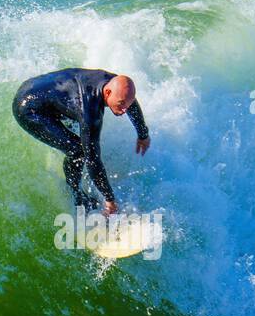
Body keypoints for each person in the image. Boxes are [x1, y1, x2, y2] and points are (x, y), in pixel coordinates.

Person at [11, 68, 150, 215]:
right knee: (78, 151)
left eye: (126, 106)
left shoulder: (116, 84)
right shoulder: (89, 112)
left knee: (82, 140)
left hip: (36, 86)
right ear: (108, 93)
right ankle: (74, 193)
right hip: (29, 109)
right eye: (121, 104)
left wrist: (143, 134)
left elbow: (130, 102)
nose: (124, 110)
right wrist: (110, 200)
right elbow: (92, 160)